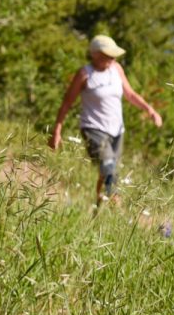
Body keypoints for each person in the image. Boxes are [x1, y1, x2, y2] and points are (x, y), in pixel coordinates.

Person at [49, 34, 163, 205]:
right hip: (93, 128)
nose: (112, 59)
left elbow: (130, 94)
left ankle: (99, 207)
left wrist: (150, 110)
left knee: (108, 170)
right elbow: (67, 103)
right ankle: (116, 205)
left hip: (117, 130)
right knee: (108, 166)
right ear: (95, 54)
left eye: (113, 56)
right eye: (108, 55)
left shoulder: (116, 69)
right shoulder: (85, 74)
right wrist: (57, 131)